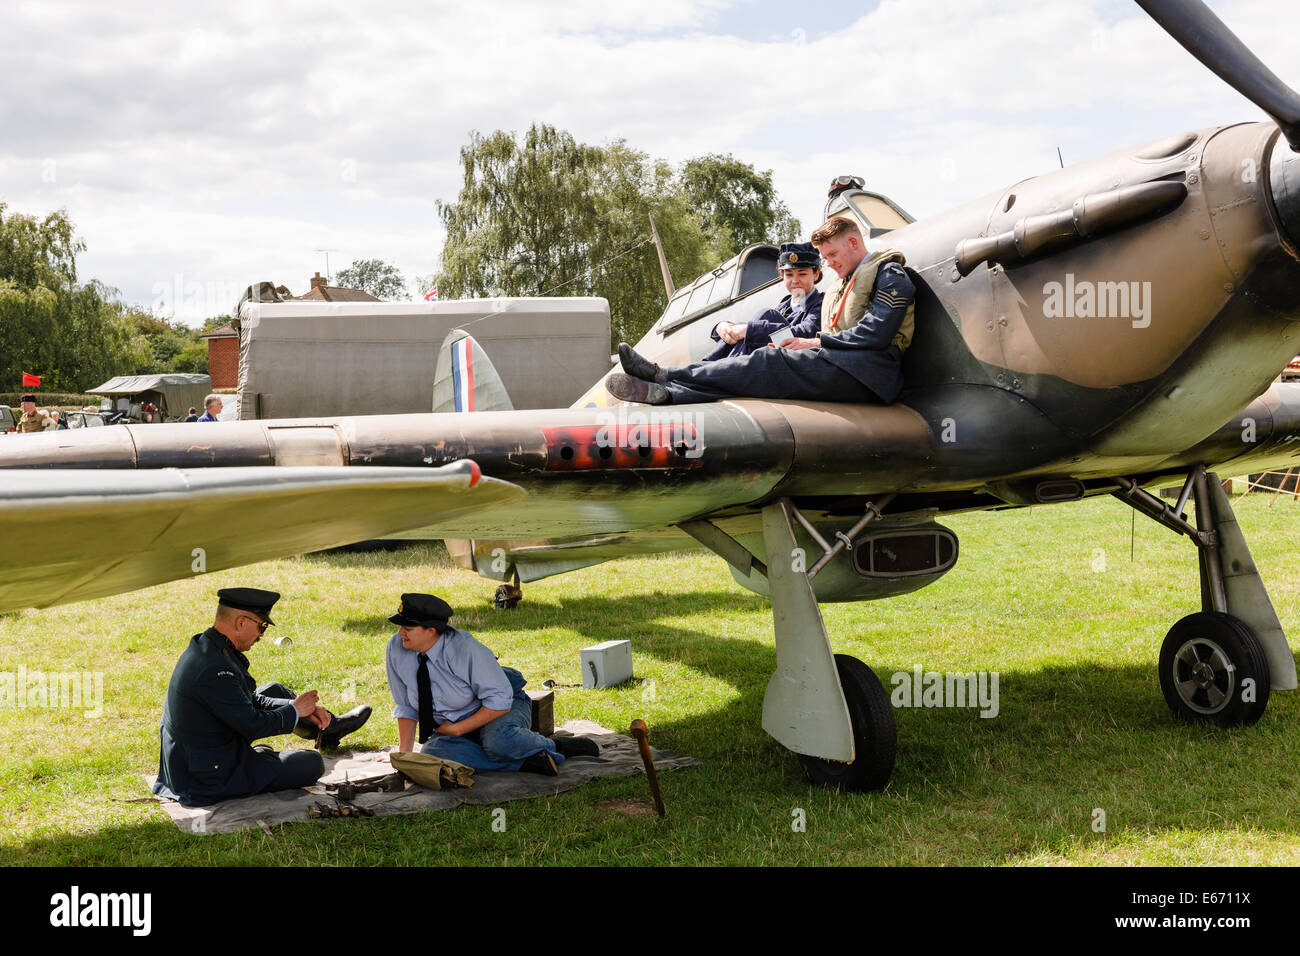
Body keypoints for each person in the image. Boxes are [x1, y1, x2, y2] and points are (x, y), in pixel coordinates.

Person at [609, 214, 916, 407]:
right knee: (763, 375)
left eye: (832, 254)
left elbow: (876, 334)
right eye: (825, 256)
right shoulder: (845, 281)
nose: (830, 262)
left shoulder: (889, 274)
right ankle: (671, 394)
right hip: (847, 366)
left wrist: (815, 342)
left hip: (872, 375)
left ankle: (665, 375)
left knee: (770, 361)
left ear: (853, 242)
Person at [153, 587, 372, 806]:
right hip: (207, 778)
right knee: (312, 763)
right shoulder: (216, 670)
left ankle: (327, 729)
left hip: (196, 757)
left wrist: (296, 707)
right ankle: (323, 732)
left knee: (275, 690)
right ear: (241, 623)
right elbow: (253, 724)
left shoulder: (207, 645)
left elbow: (248, 699)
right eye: (261, 626)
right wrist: (295, 711)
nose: (261, 635)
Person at [382, 593, 599, 775]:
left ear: (431, 630)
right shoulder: (397, 648)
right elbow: (406, 706)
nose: (400, 632)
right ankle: (526, 761)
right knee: (432, 753)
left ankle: (553, 746)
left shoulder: (466, 650)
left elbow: (499, 702)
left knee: (499, 742)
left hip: (500, 706)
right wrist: (404, 757)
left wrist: (457, 730)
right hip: (455, 721)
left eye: (408, 628)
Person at [704, 242, 825, 360]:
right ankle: (707, 365)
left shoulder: (821, 303)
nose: (795, 280)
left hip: (794, 358)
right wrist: (724, 327)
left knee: (766, 315)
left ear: (816, 274)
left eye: (802, 274)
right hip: (773, 355)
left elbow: (805, 333)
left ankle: (713, 368)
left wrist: (749, 330)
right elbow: (759, 329)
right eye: (789, 275)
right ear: (782, 276)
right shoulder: (784, 305)